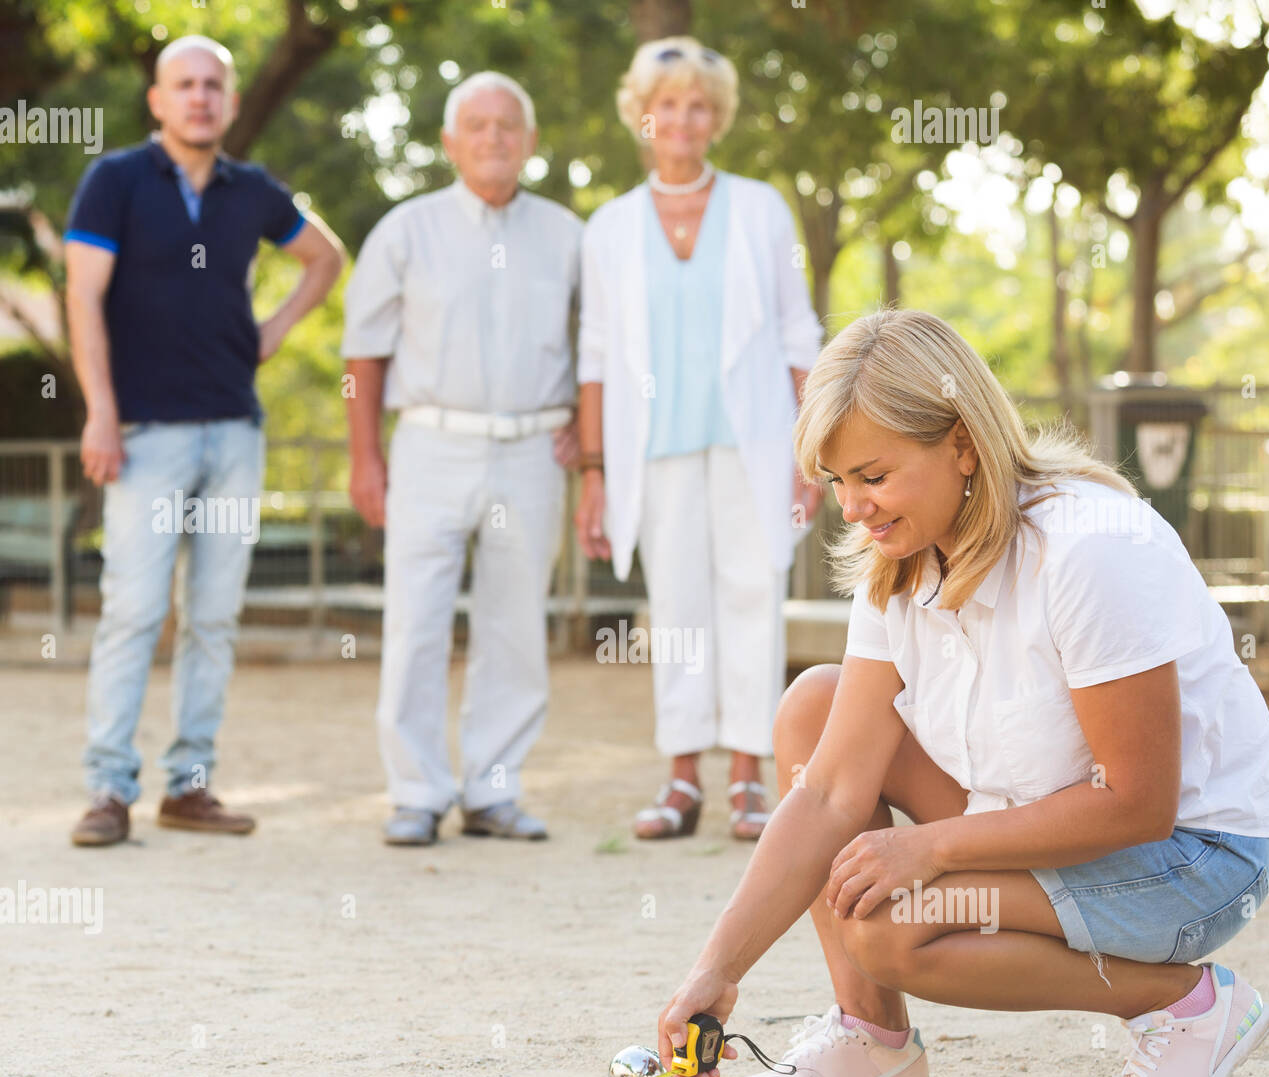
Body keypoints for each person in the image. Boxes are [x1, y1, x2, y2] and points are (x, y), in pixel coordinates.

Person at [656, 308, 1269, 1077]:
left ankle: (1191, 1006)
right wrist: (716, 970)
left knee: (889, 928)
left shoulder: (1089, 550)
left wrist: (928, 847)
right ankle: (874, 1044)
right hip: (1042, 817)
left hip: (1191, 860)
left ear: (961, 444)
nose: (852, 507)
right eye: (838, 481)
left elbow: (1138, 805)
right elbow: (832, 792)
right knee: (815, 706)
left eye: (872, 475)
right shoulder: (900, 561)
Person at [65, 35, 343, 847]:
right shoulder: (112, 181)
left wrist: (274, 331)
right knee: (134, 612)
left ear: (226, 99)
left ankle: (189, 787)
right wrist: (100, 411)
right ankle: (109, 791)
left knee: (214, 617)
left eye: (213, 85)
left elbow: (324, 257)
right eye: (183, 84)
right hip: (143, 433)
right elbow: (84, 302)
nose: (199, 97)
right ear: (157, 100)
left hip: (233, 431)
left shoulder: (252, 190)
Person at [575, 36, 823, 843]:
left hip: (754, 444)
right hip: (654, 450)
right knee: (675, 607)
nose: (681, 119)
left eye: (698, 105)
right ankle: (682, 778)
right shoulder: (609, 226)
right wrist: (593, 472)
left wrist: (813, 449)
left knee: (754, 595)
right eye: (667, 102)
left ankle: (751, 778)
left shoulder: (759, 209)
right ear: (641, 114)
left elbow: (797, 332)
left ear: (716, 119)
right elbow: (597, 354)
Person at [343, 72, 582, 846]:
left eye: (508, 125)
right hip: (430, 447)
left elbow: (602, 346)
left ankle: (494, 792)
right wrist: (364, 459)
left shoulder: (567, 236)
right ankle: (414, 792)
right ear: (450, 142)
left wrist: (590, 428)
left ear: (531, 142)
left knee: (515, 627)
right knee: (416, 621)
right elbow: (363, 353)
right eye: (476, 125)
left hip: (533, 449)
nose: (493, 138)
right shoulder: (405, 231)